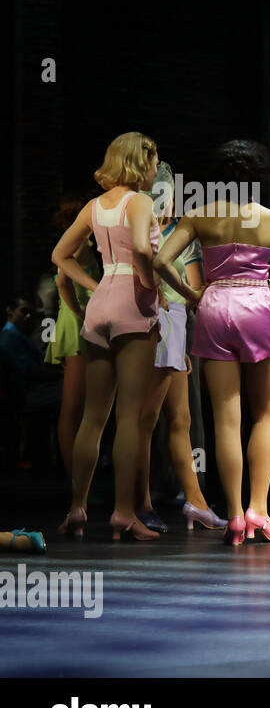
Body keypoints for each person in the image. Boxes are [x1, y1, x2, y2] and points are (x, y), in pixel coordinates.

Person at [154, 140, 270, 546]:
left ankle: (232, 514)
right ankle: (258, 510)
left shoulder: (199, 216)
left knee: (224, 419)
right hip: (258, 307)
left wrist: (194, 294)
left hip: (213, 309)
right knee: (265, 416)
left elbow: (161, 260)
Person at [51, 131, 163, 541]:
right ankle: (123, 513)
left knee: (92, 417)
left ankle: (77, 508)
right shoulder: (140, 202)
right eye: (154, 162)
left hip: (100, 306)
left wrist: (91, 290)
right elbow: (141, 249)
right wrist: (152, 287)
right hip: (133, 305)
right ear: (141, 161)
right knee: (129, 417)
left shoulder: (95, 206)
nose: (156, 170)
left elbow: (60, 255)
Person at [135, 161, 225, 533]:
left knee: (183, 418)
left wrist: (184, 308)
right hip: (146, 321)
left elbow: (191, 288)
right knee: (142, 420)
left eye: (169, 195)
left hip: (174, 324)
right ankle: (140, 500)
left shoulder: (178, 233)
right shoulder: (139, 228)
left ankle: (194, 498)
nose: (165, 203)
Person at [45, 197, 102, 477]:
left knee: (81, 407)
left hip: (80, 323)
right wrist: (79, 312)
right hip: (76, 325)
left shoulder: (86, 244)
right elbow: (61, 280)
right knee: (73, 407)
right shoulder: (79, 244)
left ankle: (80, 478)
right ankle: (75, 479)